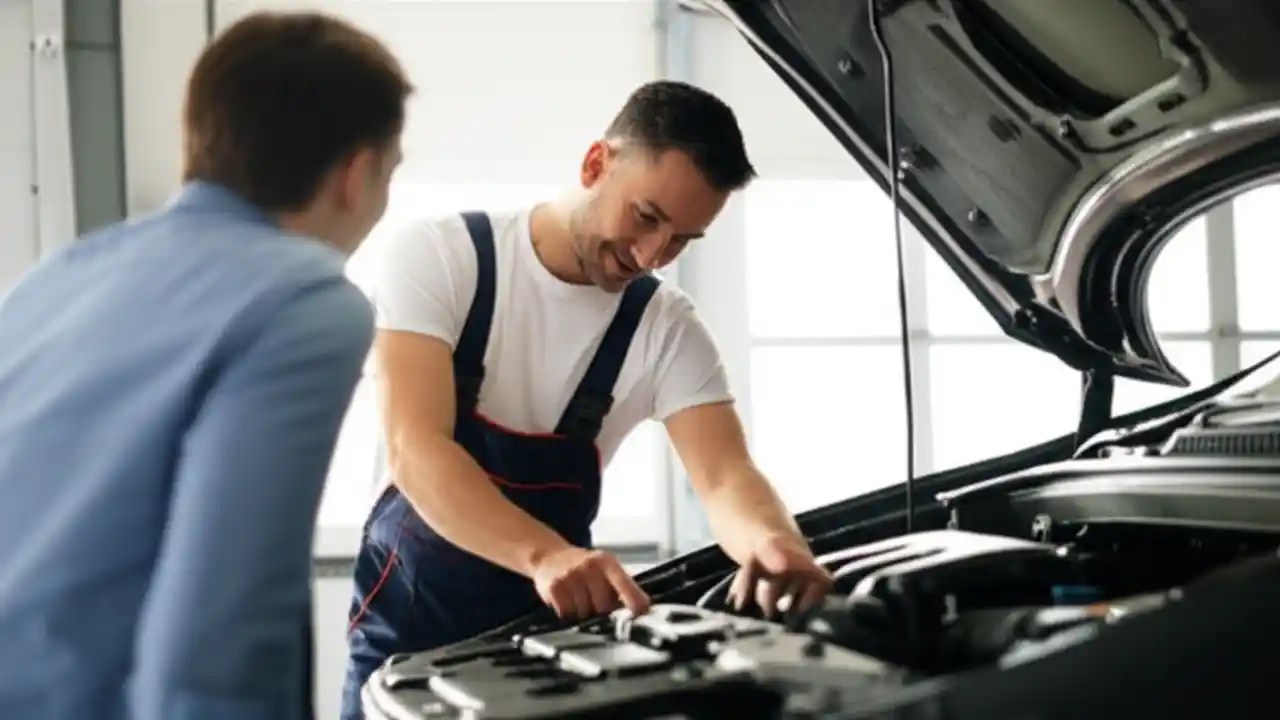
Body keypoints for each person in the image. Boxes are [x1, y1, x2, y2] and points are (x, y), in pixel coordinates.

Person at [342, 80, 833, 718]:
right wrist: (545, 555)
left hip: (540, 661)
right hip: (405, 651)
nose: (652, 255)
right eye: (647, 217)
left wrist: (774, 542)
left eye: (683, 239)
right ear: (595, 163)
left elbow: (724, 476)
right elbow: (416, 447)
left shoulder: (665, 326)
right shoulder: (442, 257)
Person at [0, 11, 411, 720]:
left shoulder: (58, 275)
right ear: (358, 173)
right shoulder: (302, 301)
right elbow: (220, 641)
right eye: (390, 172)